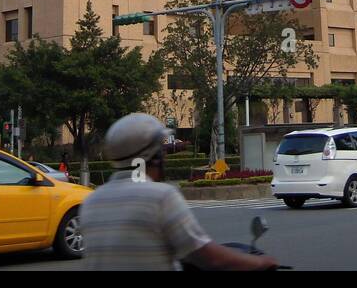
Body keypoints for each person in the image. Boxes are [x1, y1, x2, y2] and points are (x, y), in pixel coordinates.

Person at [79, 113, 278, 271]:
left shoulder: (91, 201)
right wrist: (260, 263)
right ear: (154, 156)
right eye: (162, 151)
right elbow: (208, 257)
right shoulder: (160, 197)